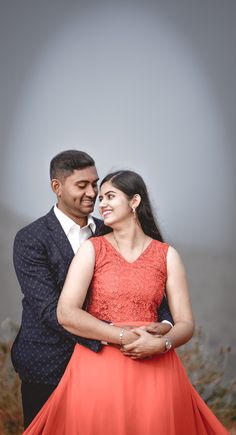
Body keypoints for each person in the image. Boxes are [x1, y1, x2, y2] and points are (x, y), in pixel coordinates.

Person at [23, 170, 228, 434]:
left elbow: (186, 323)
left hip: (157, 370)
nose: (101, 203)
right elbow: (66, 313)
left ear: (134, 202)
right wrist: (123, 336)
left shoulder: (167, 255)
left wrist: (162, 343)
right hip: (97, 368)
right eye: (101, 198)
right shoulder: (92, 249)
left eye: (110, 196)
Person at [11, 152, 172, 429]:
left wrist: (165, 325)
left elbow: (148, 285)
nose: (92, 193)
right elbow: (51, 311)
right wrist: (119, 336)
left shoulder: (109, 231)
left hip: (105, 369)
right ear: (56, 187)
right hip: (48, 365)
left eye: (95, 184)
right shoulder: (31, 238)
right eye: (81, 185)